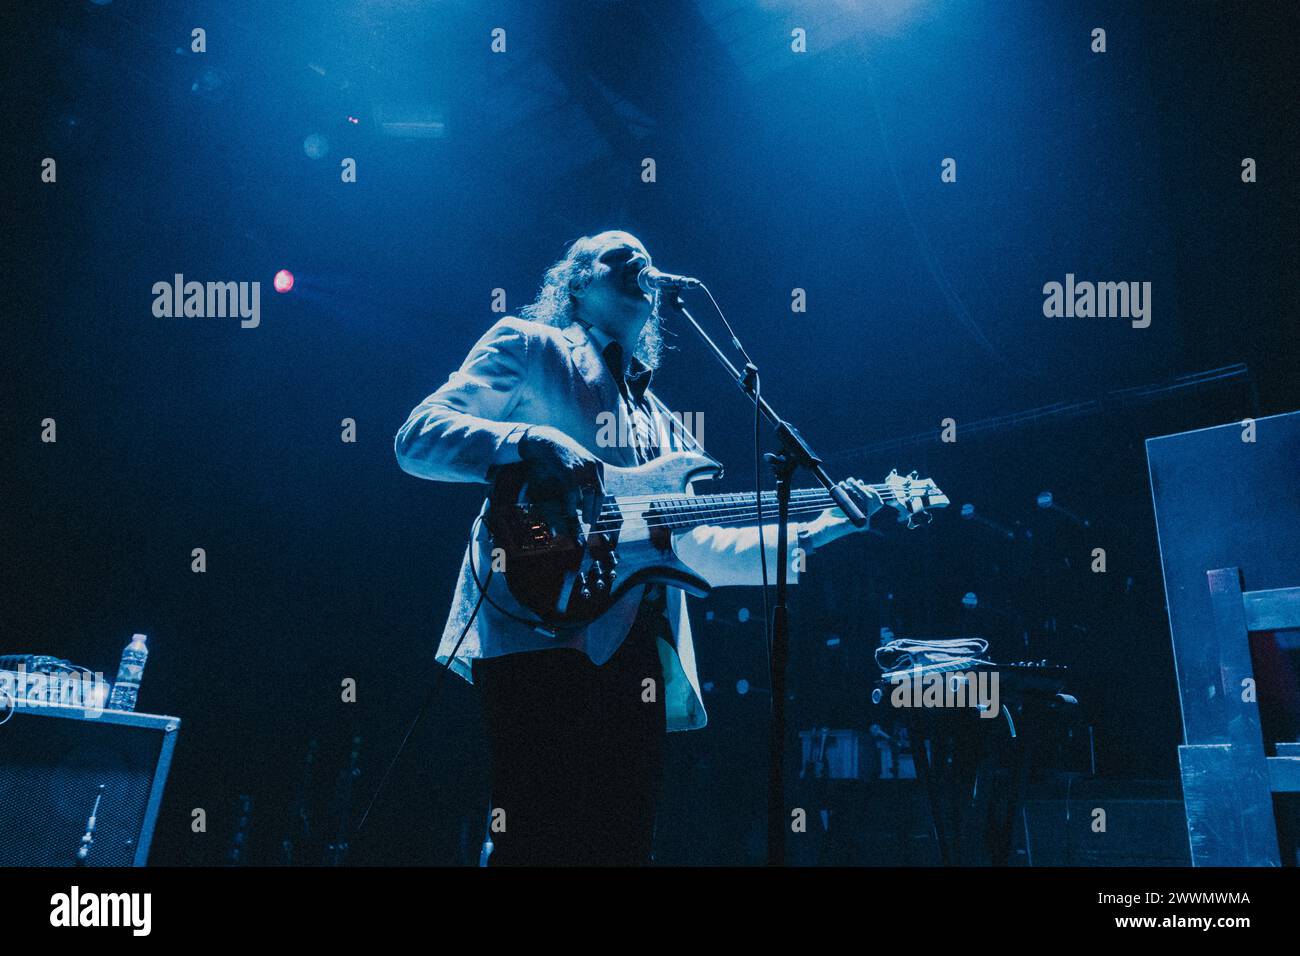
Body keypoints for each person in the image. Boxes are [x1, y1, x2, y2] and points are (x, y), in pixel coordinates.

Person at [395, 230, 882, 865]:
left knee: (622, 846)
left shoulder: (659, 417)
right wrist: (530, 439)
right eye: (618, 256)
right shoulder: (529, 345)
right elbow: (418, 437)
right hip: (539, 626)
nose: (640, 263)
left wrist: (819, 531)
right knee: (538, 840)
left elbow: (697, 545)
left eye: (647, 260)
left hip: (634, 652)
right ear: (577, 281)